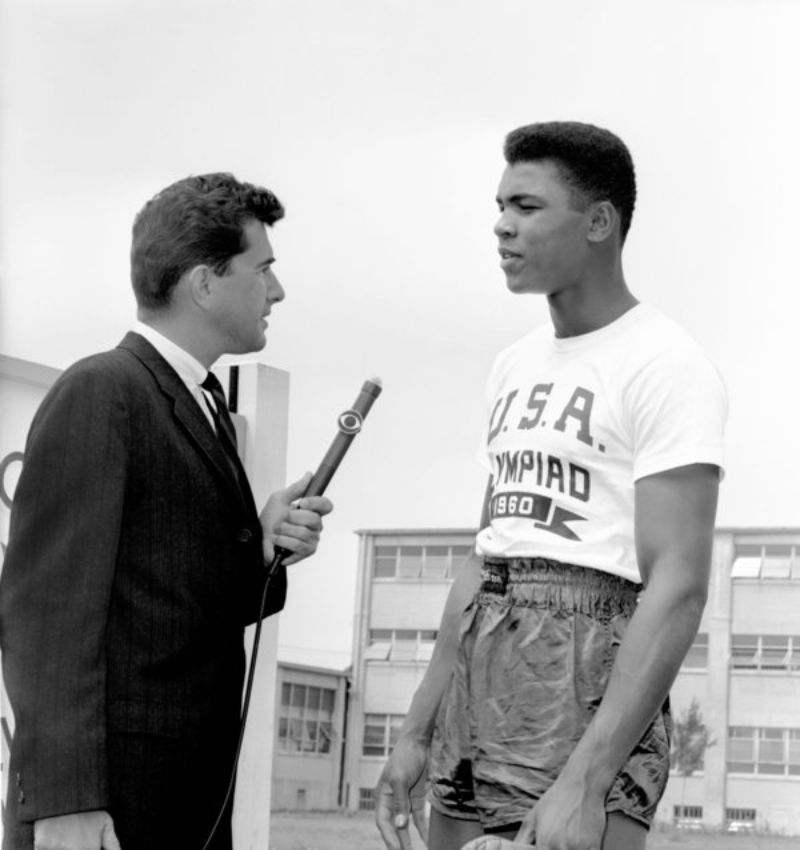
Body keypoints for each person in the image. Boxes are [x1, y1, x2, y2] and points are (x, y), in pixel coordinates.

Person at [375, 122, 727, 850]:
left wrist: (588, 780)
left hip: (586, 668)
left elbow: (679, 585)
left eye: (527, 207)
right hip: (484, 665)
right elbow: (483, 558)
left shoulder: (665, 364)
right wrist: (415, 730)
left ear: (599, 221)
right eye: (500, 205)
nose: (502, 226)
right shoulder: (513, 364)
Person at [0, 173, 333, 850]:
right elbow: (48, 614)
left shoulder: (202, 408)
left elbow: (178, 608)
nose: (277, 291)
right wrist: (66, 805)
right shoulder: (104, 390)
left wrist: (260, 548)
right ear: (204, 284)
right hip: (107, 812)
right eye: (262, 268)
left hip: (186, 801)